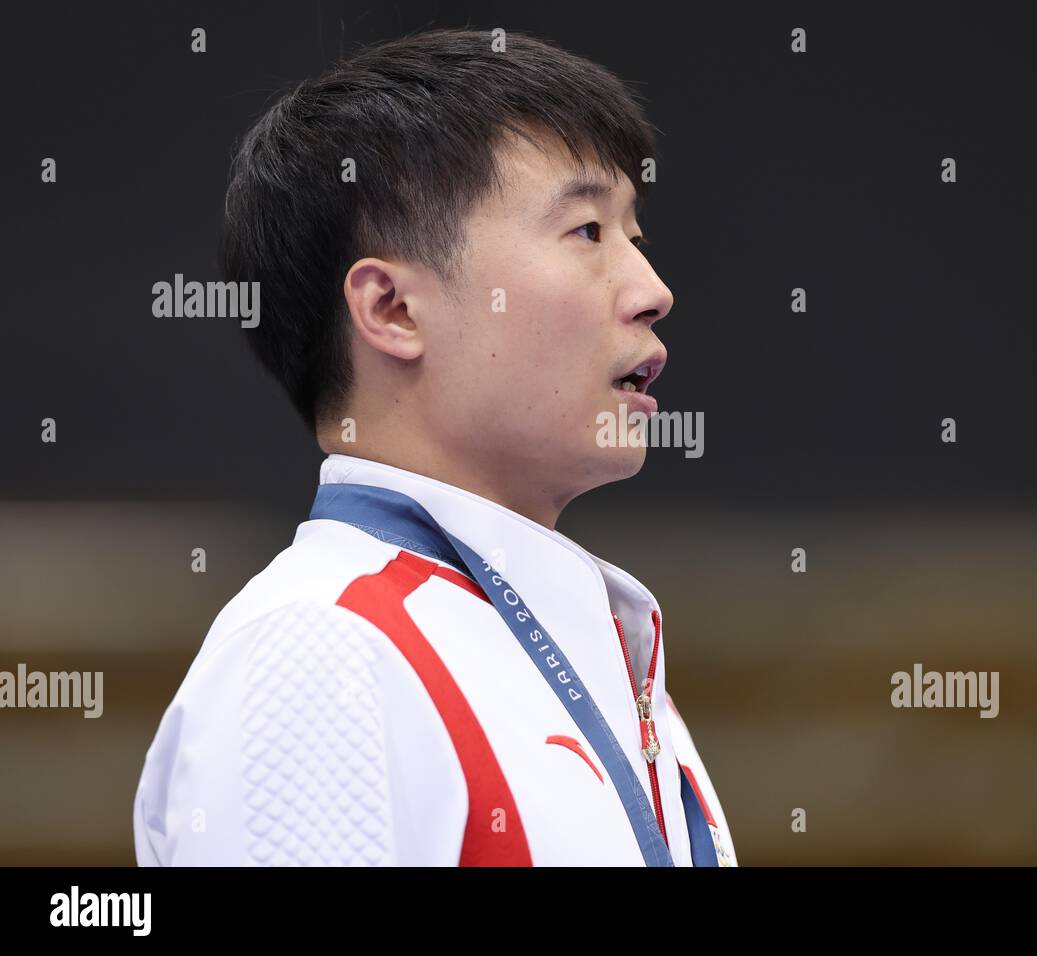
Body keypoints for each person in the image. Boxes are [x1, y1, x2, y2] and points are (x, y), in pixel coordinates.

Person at [132, 26, 737, 866]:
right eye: (588, 232)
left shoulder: (601, 647)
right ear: (393, 311)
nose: (653, 290)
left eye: (635, 237)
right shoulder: (323, 654)